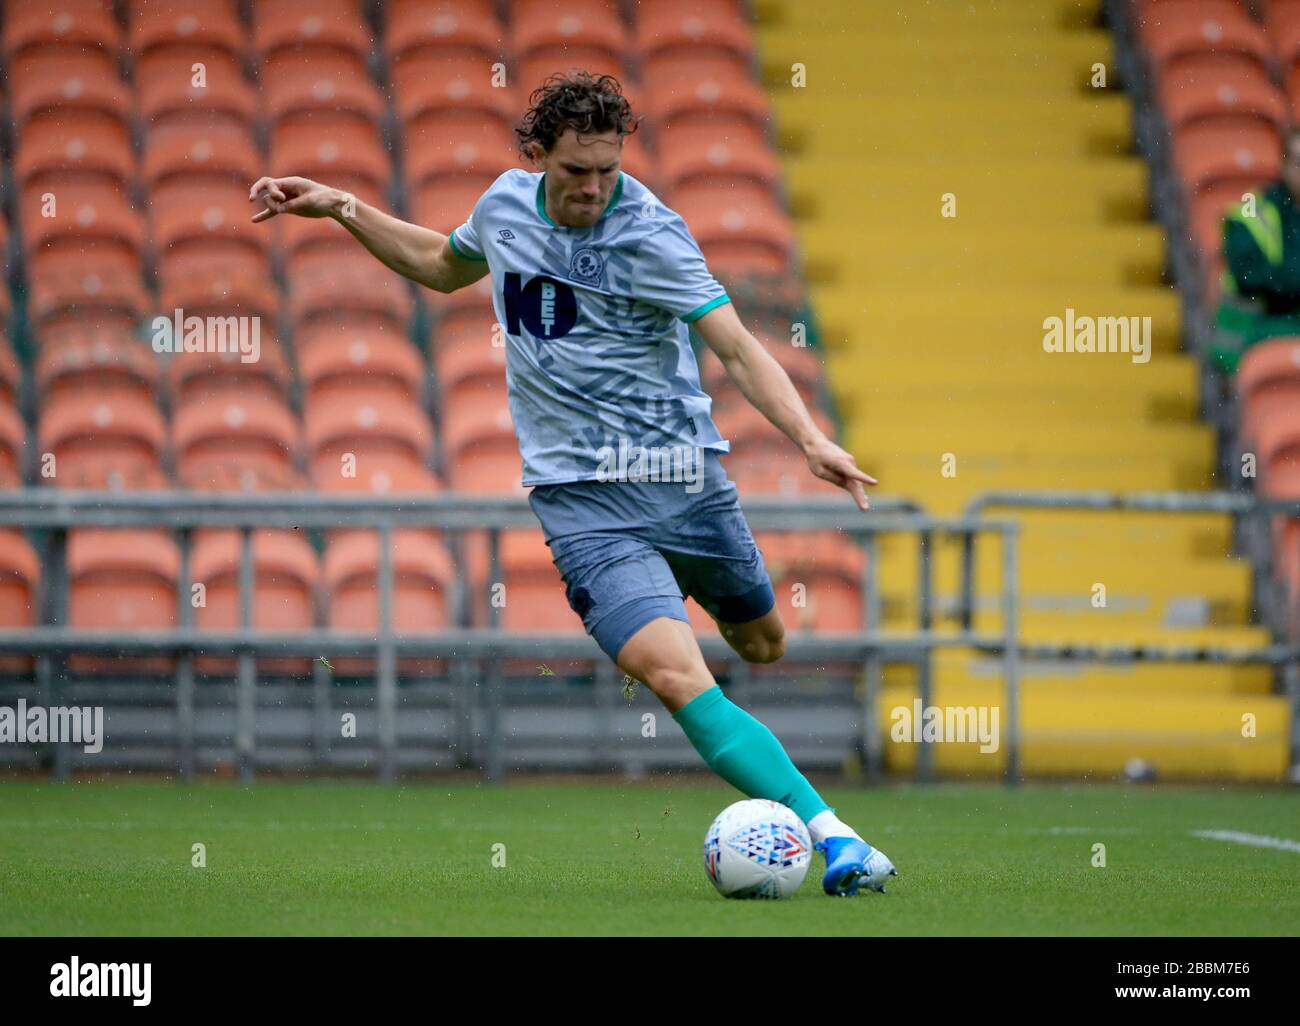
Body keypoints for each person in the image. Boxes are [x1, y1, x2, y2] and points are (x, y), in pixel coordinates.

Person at [249, 71, 896, 895]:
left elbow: (734, 345)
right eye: (574, 172)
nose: (593, 188)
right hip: (581, 502)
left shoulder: (654, 234)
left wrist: (809, 439)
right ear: (537, 156)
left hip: (681, 479)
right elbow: (442, 266)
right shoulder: (505, 207)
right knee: (675, 674)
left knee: (763, 644)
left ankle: (715, 618)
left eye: (608, 170)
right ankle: (834, 836)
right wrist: (342, 205)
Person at [1212, 128, 1300, 375]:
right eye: (1298, 162)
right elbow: (1248, 274)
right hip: (1253, 333)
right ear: (1283, 165)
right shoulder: (1251, 210)